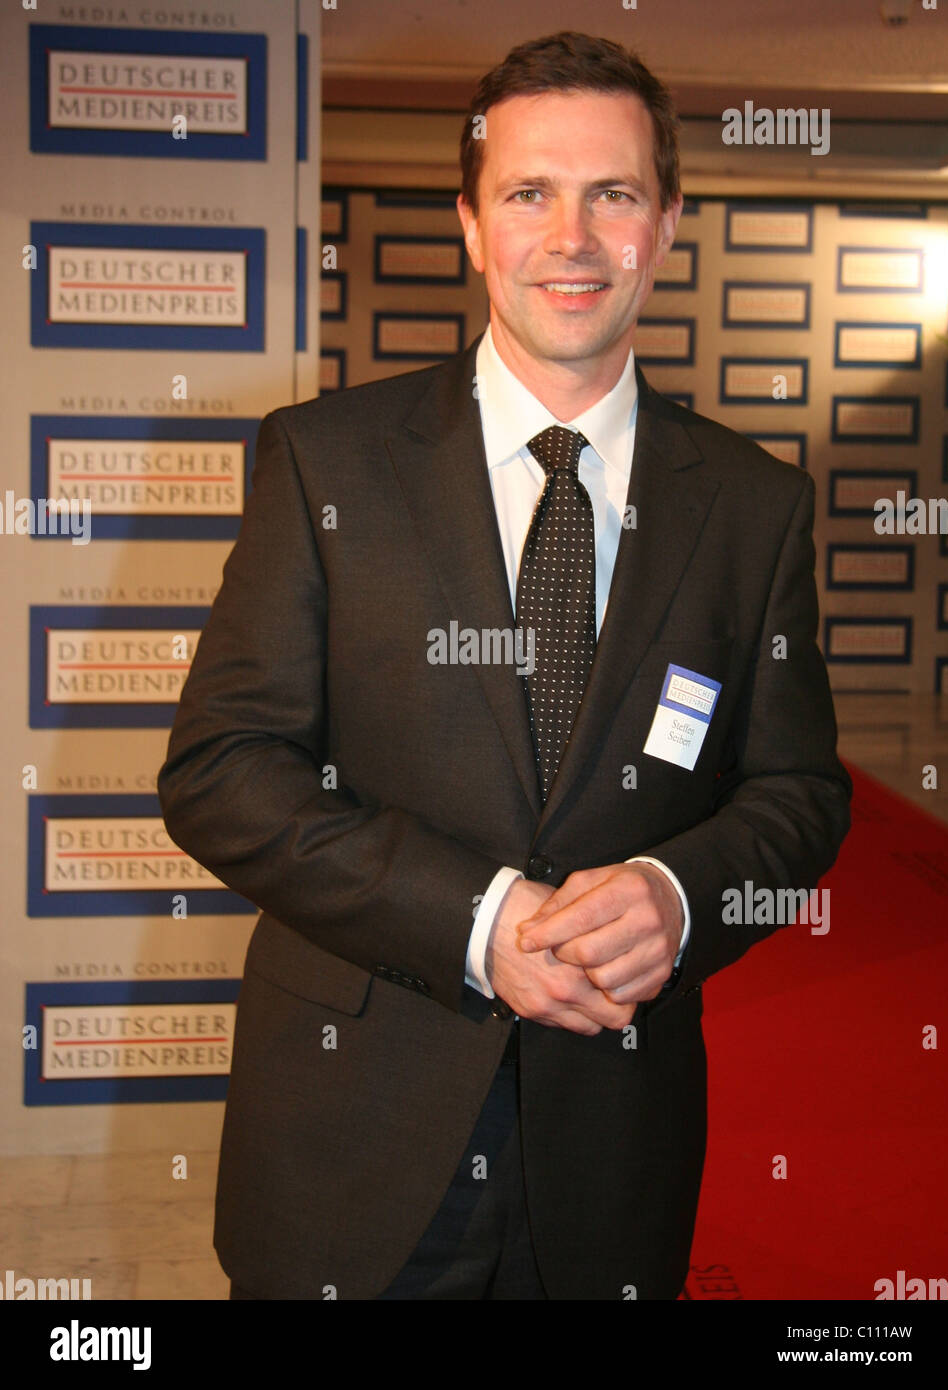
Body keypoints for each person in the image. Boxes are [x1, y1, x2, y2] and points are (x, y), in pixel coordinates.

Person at [158, 30, 851, 1301]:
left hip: (611, 1142)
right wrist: (480, 919)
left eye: (614, 194)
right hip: (350, 1132)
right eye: (529, 192)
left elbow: (799, 791)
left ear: (667, 222)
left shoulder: (755, 507)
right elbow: (220, 770)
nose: (571, 237)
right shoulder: (325, 463)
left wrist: (676, 891)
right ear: (473, 226)